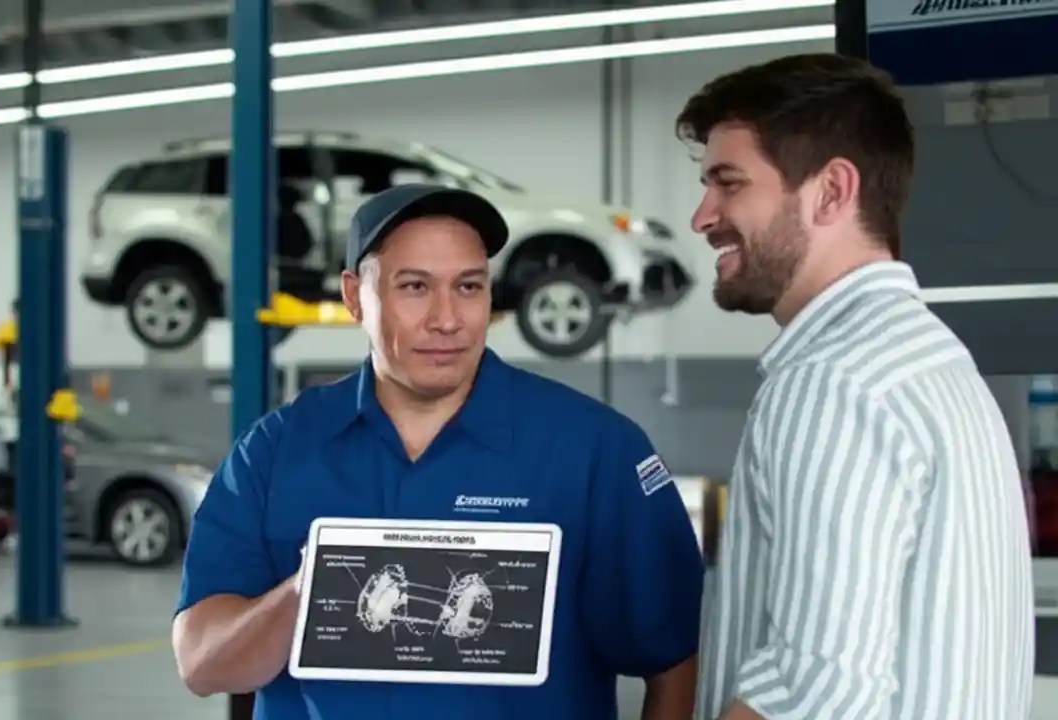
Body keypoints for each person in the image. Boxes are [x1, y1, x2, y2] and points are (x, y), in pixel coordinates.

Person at [171, 183, 705, 719]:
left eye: (468, 287)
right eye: (414, 287)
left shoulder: (595, 450)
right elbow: (202, 665)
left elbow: (672, 660)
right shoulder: (274, 452)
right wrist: (311, 589)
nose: (447, 319)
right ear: (355, 295)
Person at [675, 53, 1035, 720]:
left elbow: (815, 690)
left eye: (729, 183)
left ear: (832, 191)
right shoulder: (929, 362)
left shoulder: (833, 381)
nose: (703, 216)